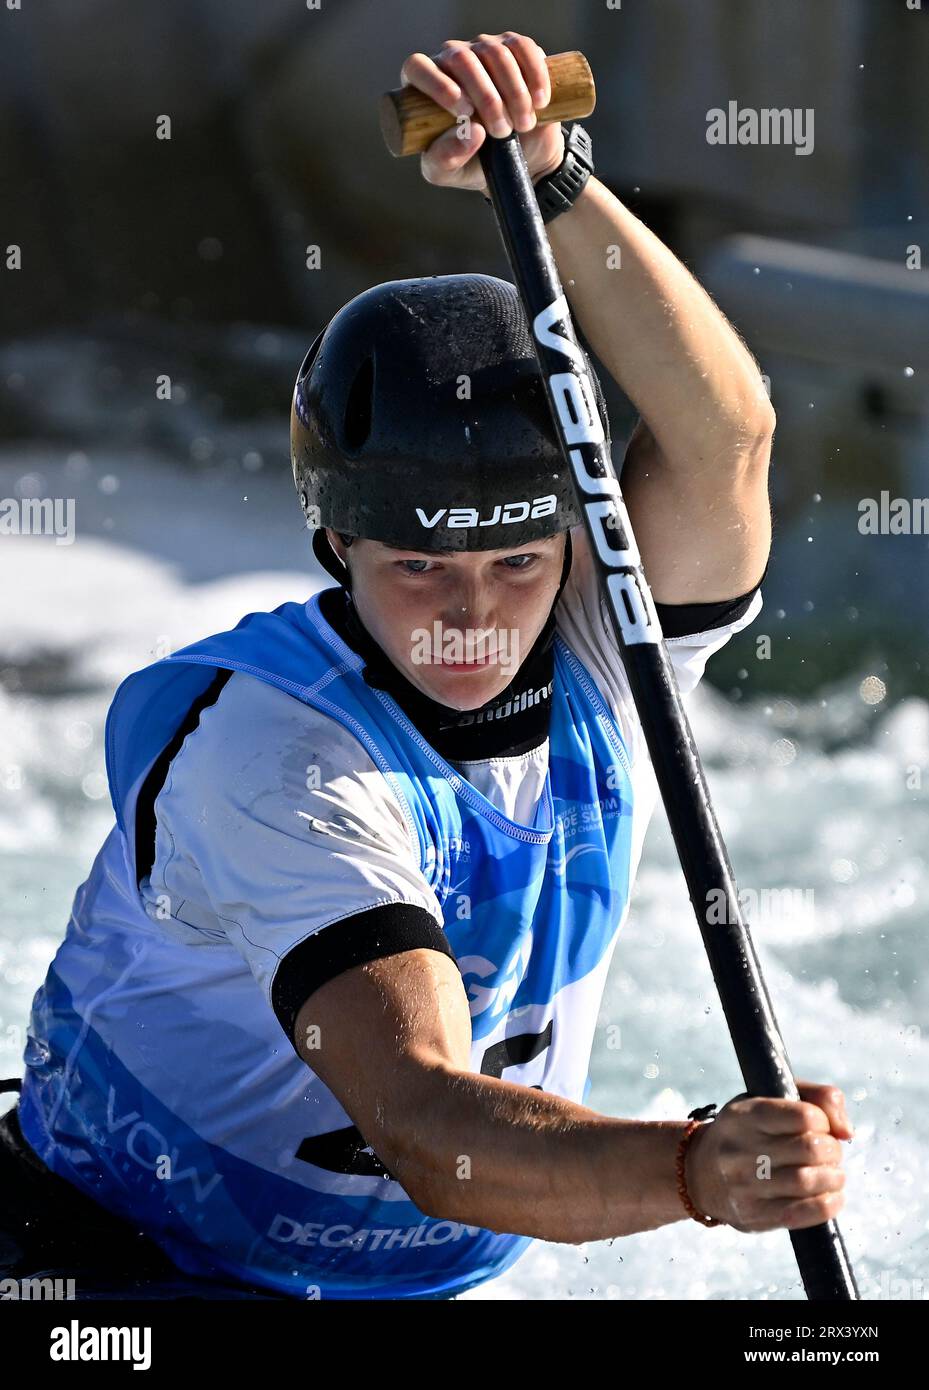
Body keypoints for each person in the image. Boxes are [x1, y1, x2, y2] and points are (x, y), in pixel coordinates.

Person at [1, 31, 852, 1302]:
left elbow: (723, 434)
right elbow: (425, 1129)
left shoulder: (602, 638)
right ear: (335, 539)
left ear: (576, 535)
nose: (471, 617)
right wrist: (695, 1170)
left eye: (515, 563)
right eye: (416, 569)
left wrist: (557, 181)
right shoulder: (268, 746)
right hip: (112, 1264)